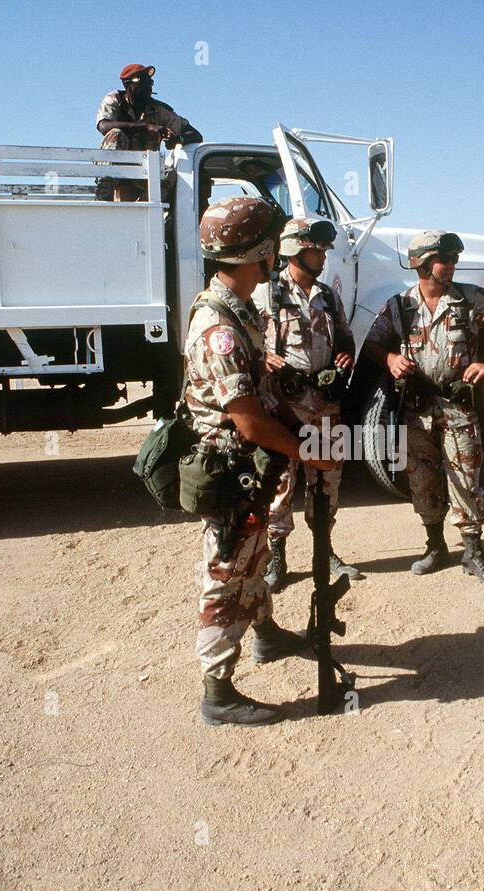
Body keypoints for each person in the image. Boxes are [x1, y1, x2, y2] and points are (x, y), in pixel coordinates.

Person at [183, 197, 335, 727]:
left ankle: (266, 635)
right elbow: (246, 422)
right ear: (264, 253)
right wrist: (306, 450)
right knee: (227, 571)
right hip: (233, 469)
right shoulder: (219, 328)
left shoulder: (243, 308)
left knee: (255, 555)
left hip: (257, 466)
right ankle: (217, 693)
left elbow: (261, 394)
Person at [361, 231, 484, 586]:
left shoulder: (469, 299)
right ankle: (435, 547)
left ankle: (473, 553)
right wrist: (390, 358)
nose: (449, 265)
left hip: (459, 409)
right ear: (419, 262)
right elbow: (372, 344)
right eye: (442, 259)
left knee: (465, 480)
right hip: (416, 410)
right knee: (421, 479)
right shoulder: (399, 305)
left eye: (453, 259)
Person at [254, 217, 362, 591]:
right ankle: (276, 555)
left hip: (324, 406)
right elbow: (248, 345)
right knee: (282, 484)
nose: (323, 256)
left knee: (327, 480)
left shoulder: (328, 296)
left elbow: (345, 340)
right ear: (295, 249)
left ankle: (324, 549)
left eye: (323, 250)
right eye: (317, 249)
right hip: (284, 407)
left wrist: (344, 356)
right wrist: (265, 358)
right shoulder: (265, 294)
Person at [95, 63, 203, 202]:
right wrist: (145, 127)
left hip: (145, 170)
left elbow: (196, 135)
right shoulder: (115, 99)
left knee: (171, 174)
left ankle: (146, 212)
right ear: (128, 85)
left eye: (150, 82)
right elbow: (103, 125)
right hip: (116, 169)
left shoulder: (159, 110)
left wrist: (177, 139)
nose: (148, 86)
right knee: (115, 133)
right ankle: (104, 192)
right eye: (142, 82)